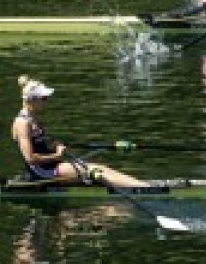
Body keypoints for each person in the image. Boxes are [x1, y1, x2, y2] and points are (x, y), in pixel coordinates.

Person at [11, 75, 148, 188]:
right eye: (44, 99)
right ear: (32, 100)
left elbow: (40, 145)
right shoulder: (22, 123)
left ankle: (143, 186)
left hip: (52, 165)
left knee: (100, 168)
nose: (47, 102)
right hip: (43, 172)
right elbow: (31, 158)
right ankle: (144, 189)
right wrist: (57, 155)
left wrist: (54, 146)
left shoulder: (34, 120)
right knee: (95, 171)